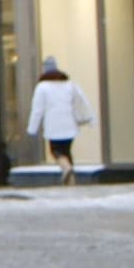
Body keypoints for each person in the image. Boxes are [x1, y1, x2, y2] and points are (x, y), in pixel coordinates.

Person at [27, 56, 93, 185]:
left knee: (55, 150)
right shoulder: (69, 85)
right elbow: (81, 102)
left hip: (53, 125)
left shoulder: (42, 87)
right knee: (67, 151)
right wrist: (90, 119)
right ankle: (71, 181)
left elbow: (37, 110)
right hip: (70, 124)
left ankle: (66, 168)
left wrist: (32, 128)